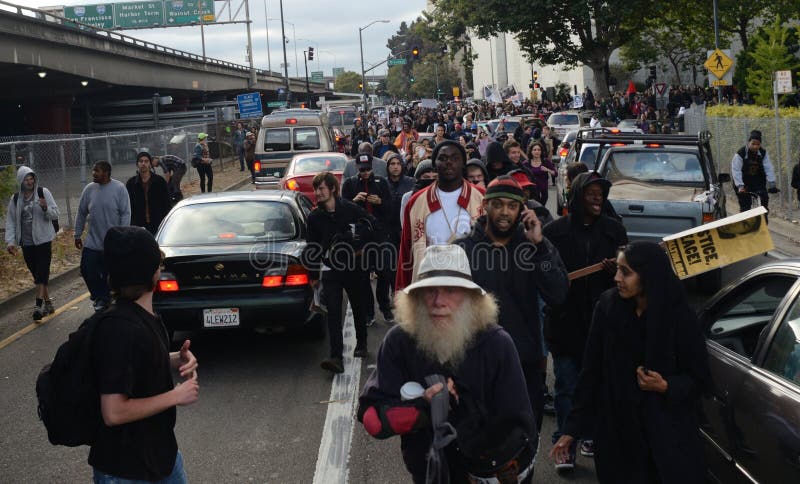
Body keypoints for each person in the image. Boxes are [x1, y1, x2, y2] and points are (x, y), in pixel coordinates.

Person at [358, 244, 537, 484]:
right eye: (429, 290)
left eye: (451, 290)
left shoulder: (497, 344)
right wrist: (424, 409)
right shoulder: (399, 342)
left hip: (483, 473)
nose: (438, 301)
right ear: (417, 297)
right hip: (426, 471)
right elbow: (372, 418)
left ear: (471, 297)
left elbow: (521, 427)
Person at [550, 241, 710, 483]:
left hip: (665, 441)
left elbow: (700, 379)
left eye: (625, 272)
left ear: (648, 275)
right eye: (617, 269)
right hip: (617, 437)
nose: (616, 278)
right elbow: (591, 372)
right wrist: (571, 430)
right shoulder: (608, 307)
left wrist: (666, 386)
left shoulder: (679, 316)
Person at [456, 176, 569, 434]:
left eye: (512, 206)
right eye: (498, 204)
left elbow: (558, 294)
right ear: (485, 205)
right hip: (474, 363)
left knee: (522, 440)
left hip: (523, 363)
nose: (505, 212)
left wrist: (540, 245)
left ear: (522, 210)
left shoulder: (535, 247)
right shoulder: (462, 248)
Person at [89, 226, 199, 483]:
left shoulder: (143, 316)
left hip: (161, 455)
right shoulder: (120, 329)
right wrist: (175, 396)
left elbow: (133, 363)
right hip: (125, 469)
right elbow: (114, 412)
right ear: (153, 272)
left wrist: (176, 358)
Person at [542, 171, 628, 470]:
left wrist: (615, 271)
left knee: (598, 383)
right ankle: (565, 443)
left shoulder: (615, 231)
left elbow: (629, 274)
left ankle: (591, 434)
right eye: (591, 193)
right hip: (565, 323)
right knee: (567, 385)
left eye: (601, 194)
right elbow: (544, 274)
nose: (597, 198)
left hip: (602, 324)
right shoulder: (554, 232)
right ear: (577, 196)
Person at [303, 172, 372, 373]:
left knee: (358, 306)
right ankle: (336, 357)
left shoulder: (351, 209)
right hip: (330, 269)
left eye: (321, 188)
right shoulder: (314, 217)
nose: (317, 193)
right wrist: (313, 275)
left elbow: (371, 226)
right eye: (315, 189)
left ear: (332, 188)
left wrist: (357, 240)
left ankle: (362, 343)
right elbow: (312, 246)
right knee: (333, 312)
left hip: (353, 267)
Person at [396, 140, 485, 290]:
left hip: (472, 288)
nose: (449, 162)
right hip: (428, 288)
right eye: (443, 158)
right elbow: (406, 253)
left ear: (463, 163)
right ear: (434, 164)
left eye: (455, 158)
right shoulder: (416, 202)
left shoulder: (482, 198)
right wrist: (401, 294)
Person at [341, 153, 394, 326]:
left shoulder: (381, 182)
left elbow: (391, 208)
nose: (365, 173)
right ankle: (369, 312)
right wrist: (354, 201)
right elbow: (342, 210)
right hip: (360, 237)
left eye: (368, 169)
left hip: (380, 235)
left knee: (384, 273)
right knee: (363, 277)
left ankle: (385, 307)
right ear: (357, 168)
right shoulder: (350, 184)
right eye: (362, 169)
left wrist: (380, 202)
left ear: (372, 167)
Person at [75, 161, 131, 312]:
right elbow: (81, 212)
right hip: (93, 241)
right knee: (87, 270)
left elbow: (125, 213)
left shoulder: (119, 189)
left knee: (109, 274)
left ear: (106, 173)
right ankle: (100, 296)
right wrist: (77, 234)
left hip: (113, 241)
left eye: (97, 171)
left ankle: (107, 297)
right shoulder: (89, 189)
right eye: (93, 170)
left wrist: (123, 235)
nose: (93, 173)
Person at [5, 166, 60, 320]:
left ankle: (38, 306)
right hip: (27, 243)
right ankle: (48, 303)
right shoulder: (16, 199)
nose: (29, 182)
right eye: (26, 180)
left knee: (42, 272)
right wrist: (11, 242)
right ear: (21, 182)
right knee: (38, 275)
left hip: (43, 240)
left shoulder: (43, 192)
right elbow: (11, 222)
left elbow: (55, 213)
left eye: (31, 179)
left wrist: (45, 208)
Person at [732, 130, 778, 217]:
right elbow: (736, 171)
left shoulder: (763, 153)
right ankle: (746, 222)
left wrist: (772, 183)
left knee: (764, 203)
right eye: (753, 144)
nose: (755, 146)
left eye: (758, 144)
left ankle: (764, 222)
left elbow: (768, 168)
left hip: (758, 181)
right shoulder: (740, 154)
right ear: (748, 142)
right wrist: (740, 186)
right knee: (745, 207)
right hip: (743, 182)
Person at [126, 151, 171, 235]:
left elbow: (167, 203)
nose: (143, 163)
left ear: (150, 164)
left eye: (146, 161)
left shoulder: (160, 181)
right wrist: (133, 223)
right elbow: (128, 206)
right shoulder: (131, 183)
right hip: (138, 226)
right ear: (137, 164)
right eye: (141, 161)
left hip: (158, 223)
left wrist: (165, 222)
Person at [399, 159, 437, 227]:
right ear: (418, 178)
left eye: (435, 177)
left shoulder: (445, 196)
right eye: (426, 177)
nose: (431, 180)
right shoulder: (408, 197)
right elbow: (405, 224)